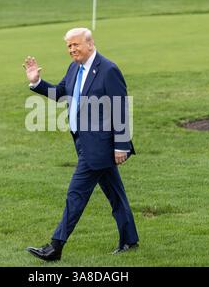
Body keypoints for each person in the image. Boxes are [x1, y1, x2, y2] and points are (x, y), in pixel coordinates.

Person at [23, 28, 139, 261]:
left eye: (76, 45)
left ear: (90, 43)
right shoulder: (75, 67)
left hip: (100, 146)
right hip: (83, 143)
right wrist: (37, 82)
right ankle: (129, 239)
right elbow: (63, 93)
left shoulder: (108, 70)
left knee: (76, 193)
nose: (72, 49)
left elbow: (120, 108)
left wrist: (122, 145)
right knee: (116, 194)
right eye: (69, 46)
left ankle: (55, 246)